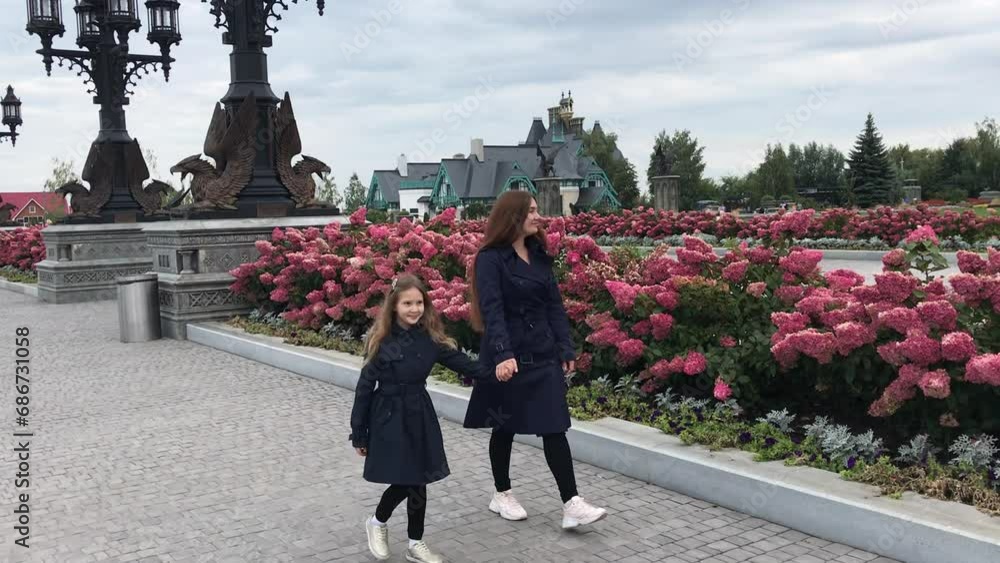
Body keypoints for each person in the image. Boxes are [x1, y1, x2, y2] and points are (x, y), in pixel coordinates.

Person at [463, 191, 608, 529]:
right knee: (505, 426)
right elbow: (492, 310)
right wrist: (503, 354)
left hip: (542, 353)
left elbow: (554, 305)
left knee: (554, 425)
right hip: (509, 356)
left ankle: (572, 503)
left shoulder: (540, 255)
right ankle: (501, 493)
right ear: (512, 215)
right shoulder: (490, 259)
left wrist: (565, 347)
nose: (537, 216)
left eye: (536, 210)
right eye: (530, 210)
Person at [350, 274, 506, 562]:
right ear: (394, 306)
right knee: (408, 478)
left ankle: (414, 542)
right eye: (407, 303)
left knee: (419, 478)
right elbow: (364, 387)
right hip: (388, 415)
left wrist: (498, 371)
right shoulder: (382, 341)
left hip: (419, 413)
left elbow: (465, 365)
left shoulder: (429, 339)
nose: (414, 309)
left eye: (419, 303)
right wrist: (359, 432)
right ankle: (377, 521)